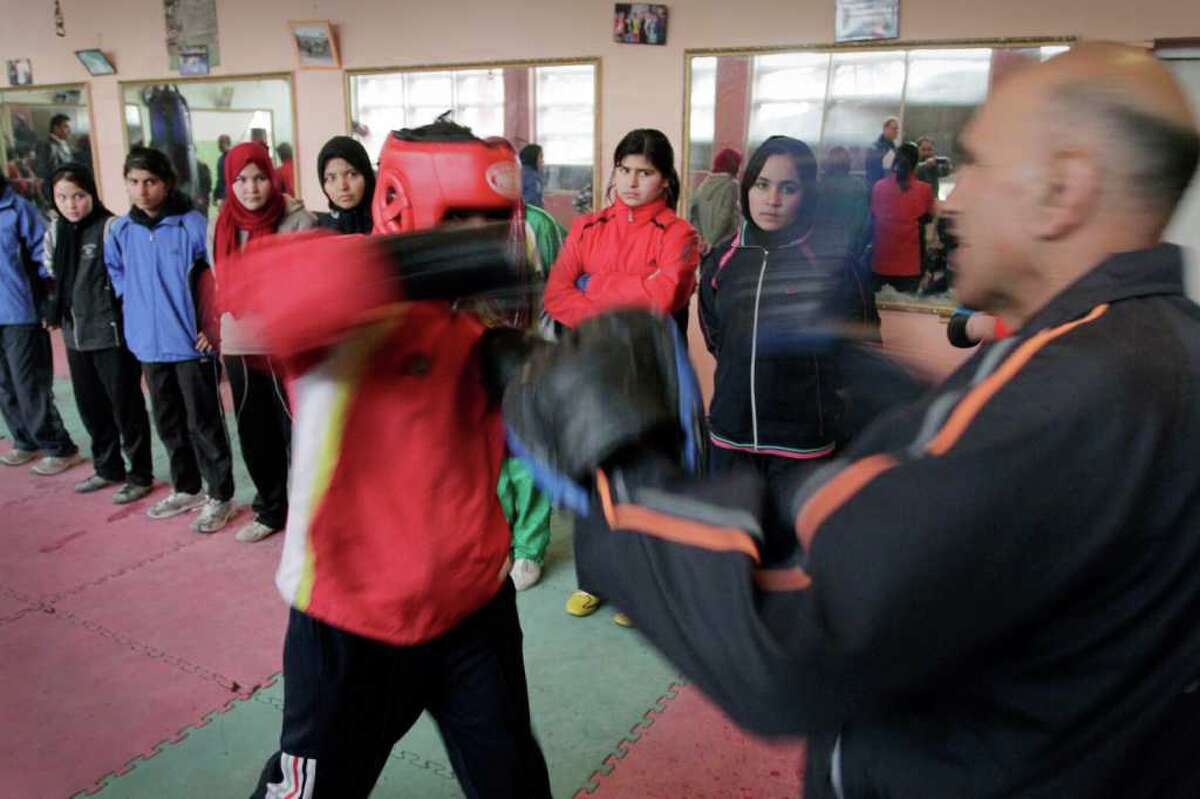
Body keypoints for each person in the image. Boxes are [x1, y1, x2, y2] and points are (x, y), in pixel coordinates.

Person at [506, 43, 1200, 798]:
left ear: (1064, 188)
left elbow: (793, 628)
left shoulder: (1064, 391)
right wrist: (868, 378)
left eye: (978, 164)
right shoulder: (1161, 346)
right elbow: (980, 512)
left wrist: (619, 476)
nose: (951, 198)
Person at [224, 119, 551, 799]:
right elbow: (251, 292)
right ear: (402, 204)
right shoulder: (343, 313)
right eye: (466, 220)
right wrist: (425, 262)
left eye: (495, 224)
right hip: (349, 624)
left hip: (475, 614)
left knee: (517, 786)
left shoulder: (477, 336)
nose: (488, 242)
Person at [542, 127, 700, 624]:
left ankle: (639, 588)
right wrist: (626, 288)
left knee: (644, 479)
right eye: (625, 169)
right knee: (594, 475)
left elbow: (664, 297)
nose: (632, 181)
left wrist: (594, 286)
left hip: (648, 374)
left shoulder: (679, 234)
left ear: (665, 179)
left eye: (645, 172)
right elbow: (557, 294)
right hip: (592, 370)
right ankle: (594, 581)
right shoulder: (587, 227)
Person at [698, 136, 870, 566]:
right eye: (761, 184)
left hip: (801, 443)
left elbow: (857, 346)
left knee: (791, 560)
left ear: (806, 193)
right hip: (731, 433)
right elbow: (715, 335)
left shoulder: (832, 262)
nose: (771, 199)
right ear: (746, 188)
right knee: (732, 553)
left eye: (788, 188)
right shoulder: (722, 259)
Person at [105, 147, 236, 533]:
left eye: (150, 182)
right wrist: (135, 310)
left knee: (204, 421)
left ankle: (220, 494)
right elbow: (116, 271)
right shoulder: (121, 231)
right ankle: (187, 487)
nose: (142, 190)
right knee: (168, 420)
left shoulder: (192, 225)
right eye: (134, 182)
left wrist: (212, 327)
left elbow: (218, 278)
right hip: (147, 343)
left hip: (188, 342)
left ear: (166, 183)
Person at [212, 142, 315, 543]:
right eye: (241, 180)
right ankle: (271, 510)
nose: (251, 188)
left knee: (297, 431)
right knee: (254, 432)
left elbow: (305, 285)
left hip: (285, 341)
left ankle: (309, 515)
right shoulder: (219, 223)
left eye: (259, 178)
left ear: (272, 178)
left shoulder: (297, 221)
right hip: (239, 342)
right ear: (229, 182)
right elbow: (222, 281)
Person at [42, 164, 153, 501]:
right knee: (90, 406)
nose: (71, 204)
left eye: (79, 196)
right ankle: (108, 467)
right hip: (75, 336)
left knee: (125, 406)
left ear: (91, 193)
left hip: (111, 335)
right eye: (63, 197)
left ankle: (140, 474)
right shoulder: (56, 233)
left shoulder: (111, 228)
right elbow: (55, 279)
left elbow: (128, 281)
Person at [0, 171, 82, 475]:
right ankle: (24, 441)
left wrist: (50, 303)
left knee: (28, 382)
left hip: (21, 311)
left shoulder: (19, 210)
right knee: (4, 384)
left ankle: (57, 446)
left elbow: (46, 258)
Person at [870, 142, 935, 293]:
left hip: (880, 261)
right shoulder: (924, 190)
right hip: (910, 264)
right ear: (916, 163)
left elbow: (873, 215)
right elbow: (929, 217)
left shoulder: (878, 187)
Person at [314, 135, 375, 234]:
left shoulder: (388, 224)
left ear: (366, 175)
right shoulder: (322, 231)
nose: (342, 187)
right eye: (331, 178)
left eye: (352, 174)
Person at [688, 147, 741, 254]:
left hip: (704, 241)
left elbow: (693, 212)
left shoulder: (705, 183)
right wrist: (711, 240)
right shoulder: (731, 185)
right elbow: (725, 217)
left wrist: (701, 238)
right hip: (723, 241)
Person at [36, 114, 73, 189]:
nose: (69, 130)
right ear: (56, 128)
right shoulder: (48, 145)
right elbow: (46, 173)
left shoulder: (62, 143)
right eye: (66, 126)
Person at [863, 116, 898, 186]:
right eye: (894, 128)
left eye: (897, 129)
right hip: (877, 186)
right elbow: (873, 172)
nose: (896, 131)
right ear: (885, 129)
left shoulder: (894, 148)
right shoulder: (874, 148)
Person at [519, 144, 544, 208]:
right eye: (541, 157)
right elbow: (532, 201)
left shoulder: (519, 172)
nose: (543, 161)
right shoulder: (533, 177)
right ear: (533, 157)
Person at [213, 134, 231, 203]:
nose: (219, 146)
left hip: (230, 195)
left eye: (221, 143)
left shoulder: (232, 157)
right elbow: (220, 179)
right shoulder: (220, 159)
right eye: (219, 143)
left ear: (228, 143)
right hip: (224, 195)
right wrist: (215, 194)